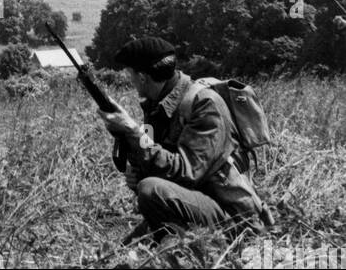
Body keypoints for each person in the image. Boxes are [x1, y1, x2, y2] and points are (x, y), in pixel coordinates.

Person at [100, 36, 265, 242]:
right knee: (123, 248)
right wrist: (136, 169)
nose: (130, 80)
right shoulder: (155, 106)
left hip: (232, 215)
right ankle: (169, 245)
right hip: (195, 203)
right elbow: (153, 154)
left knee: (151, 190)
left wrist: (134, 132)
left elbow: (186, 173)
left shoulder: (204, 104)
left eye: (130, 74)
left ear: (142, 77)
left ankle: (182, 250)